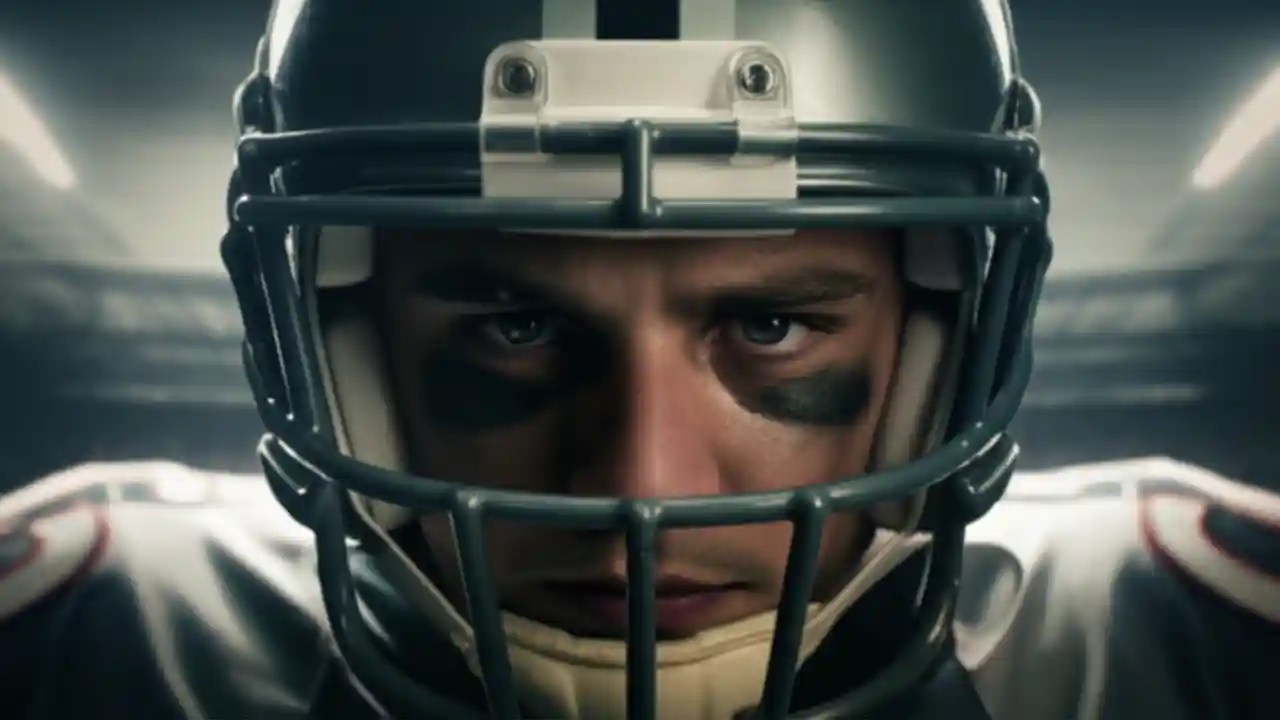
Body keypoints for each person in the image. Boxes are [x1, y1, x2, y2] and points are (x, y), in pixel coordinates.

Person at [2, 1, 1278, 718]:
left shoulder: (1181, 639)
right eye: (515, 325)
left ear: (934, 339)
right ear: (346, 345)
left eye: (769, 326)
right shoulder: (93, 640)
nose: (640, 489)